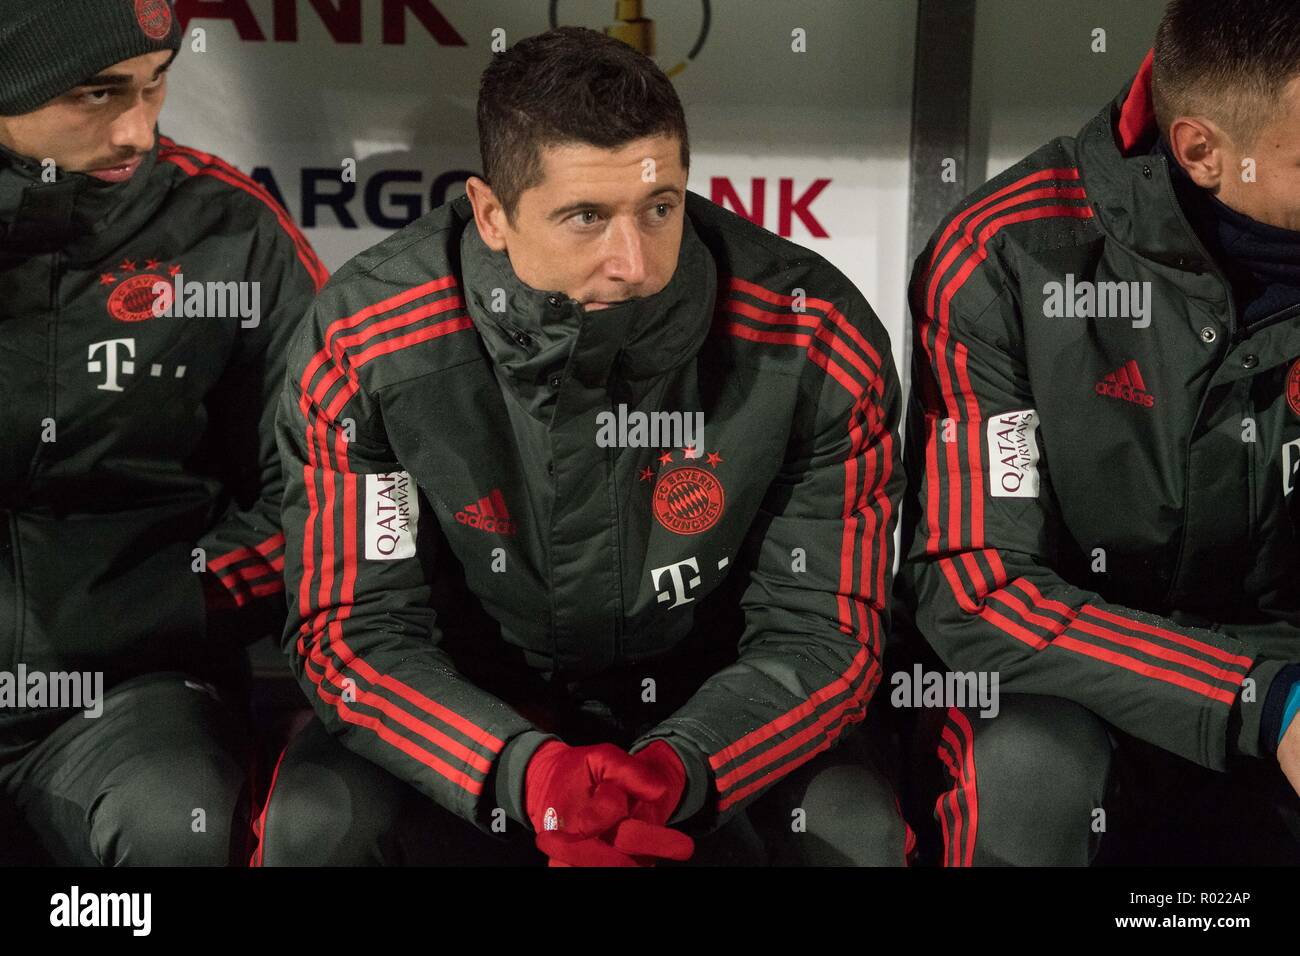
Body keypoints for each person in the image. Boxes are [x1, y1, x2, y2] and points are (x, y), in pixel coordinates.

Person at [257, 25, 911, 867]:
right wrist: (520, 773)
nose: (632, 262)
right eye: (585, 218)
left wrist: (685, 765)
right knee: (318, 822)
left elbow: (824, 633)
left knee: (852, 827)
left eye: (660, 208)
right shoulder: (367, 339)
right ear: (492, 214)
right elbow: (355, 630)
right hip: (470, 713)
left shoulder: (813, 332)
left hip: (711, 711)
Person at [894, 0, 1300, 866]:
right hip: (1063, 673)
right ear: (1200, 151)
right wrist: (1256, 700)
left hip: (1285, 667)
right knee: (1027, 777)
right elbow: (978, 587)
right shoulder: (1006, 256)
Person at [0, 0, 326, 864]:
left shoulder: (228, 232)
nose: (138, 131)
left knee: (175, 820)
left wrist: (166, 606)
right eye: (97, 95)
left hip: (132, 695)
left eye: (154, 86)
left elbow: (321, 493)